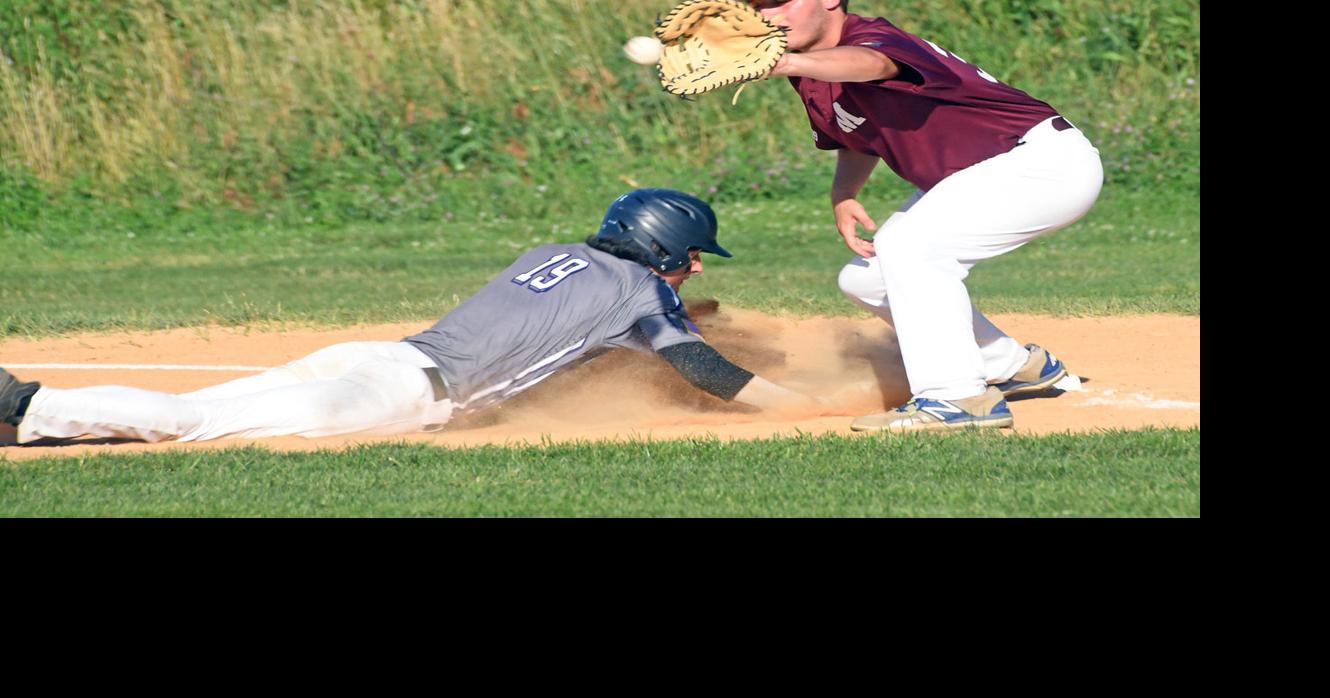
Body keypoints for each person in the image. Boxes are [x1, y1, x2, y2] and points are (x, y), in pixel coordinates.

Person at [1, 188, 822, 445]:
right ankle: (23, 403)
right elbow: (706, 371)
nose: (696, 267)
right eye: (691, 253)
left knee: (217, 406)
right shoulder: (643, 293)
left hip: (365, 357)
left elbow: (552, 348)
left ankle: (28, 423)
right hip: (389, 395)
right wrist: (809, 411)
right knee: (192, 422)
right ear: (661, 248)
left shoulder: (550, 251)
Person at [751, 0, 1104, 431]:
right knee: (866, 278)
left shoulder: (872, 39)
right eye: (759, 6)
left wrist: (786, 61)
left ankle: (957, 399)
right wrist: (844, 192)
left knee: (910, 247)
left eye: (781, 1)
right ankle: (1010, 366)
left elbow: (873, 65)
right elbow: (856, 134)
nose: (770, 14)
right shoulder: (810, 73)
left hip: (1041, 163)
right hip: (984, 173)